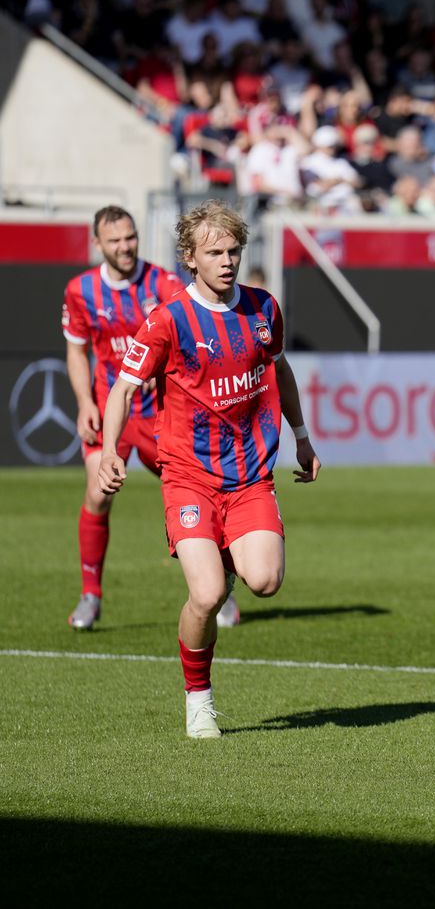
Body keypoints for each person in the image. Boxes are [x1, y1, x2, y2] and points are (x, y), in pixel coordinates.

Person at [97, 200, 321, 738]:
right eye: (214, 252)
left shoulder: (263, 309)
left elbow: (280, 371)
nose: (227, 261)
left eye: (233, 250)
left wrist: (302, 436)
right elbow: (123, 389)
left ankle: (224, 556)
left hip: (249, 477)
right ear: (189, 258)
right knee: (206, 596)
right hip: (189, 476)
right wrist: (108, 450)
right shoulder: (167, 319)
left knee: (265, 581)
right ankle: (198, 698)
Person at [63, 206, 187, 630]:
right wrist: (84, 402)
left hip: (160, 415)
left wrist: (162, 366)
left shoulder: (164, 284)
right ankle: (90, 595)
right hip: (108, 410)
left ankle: (218, 587)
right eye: (114, 240)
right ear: (97, 244)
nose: (125, 246)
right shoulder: (80, 291)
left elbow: (188, 338)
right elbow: (76, 351)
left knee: (195, 494)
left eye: (130, 237)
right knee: (98, 493)